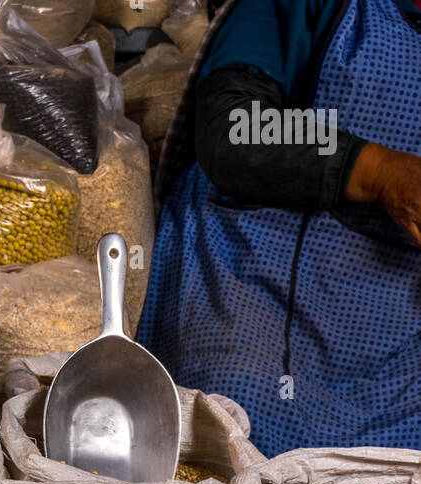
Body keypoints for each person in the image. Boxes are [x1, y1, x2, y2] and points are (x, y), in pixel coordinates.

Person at [136, 0, 421, 456]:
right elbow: (236, 126)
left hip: (394, 303)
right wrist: (376, 169)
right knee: (233, 419)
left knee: (396, 475)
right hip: (255, 254)